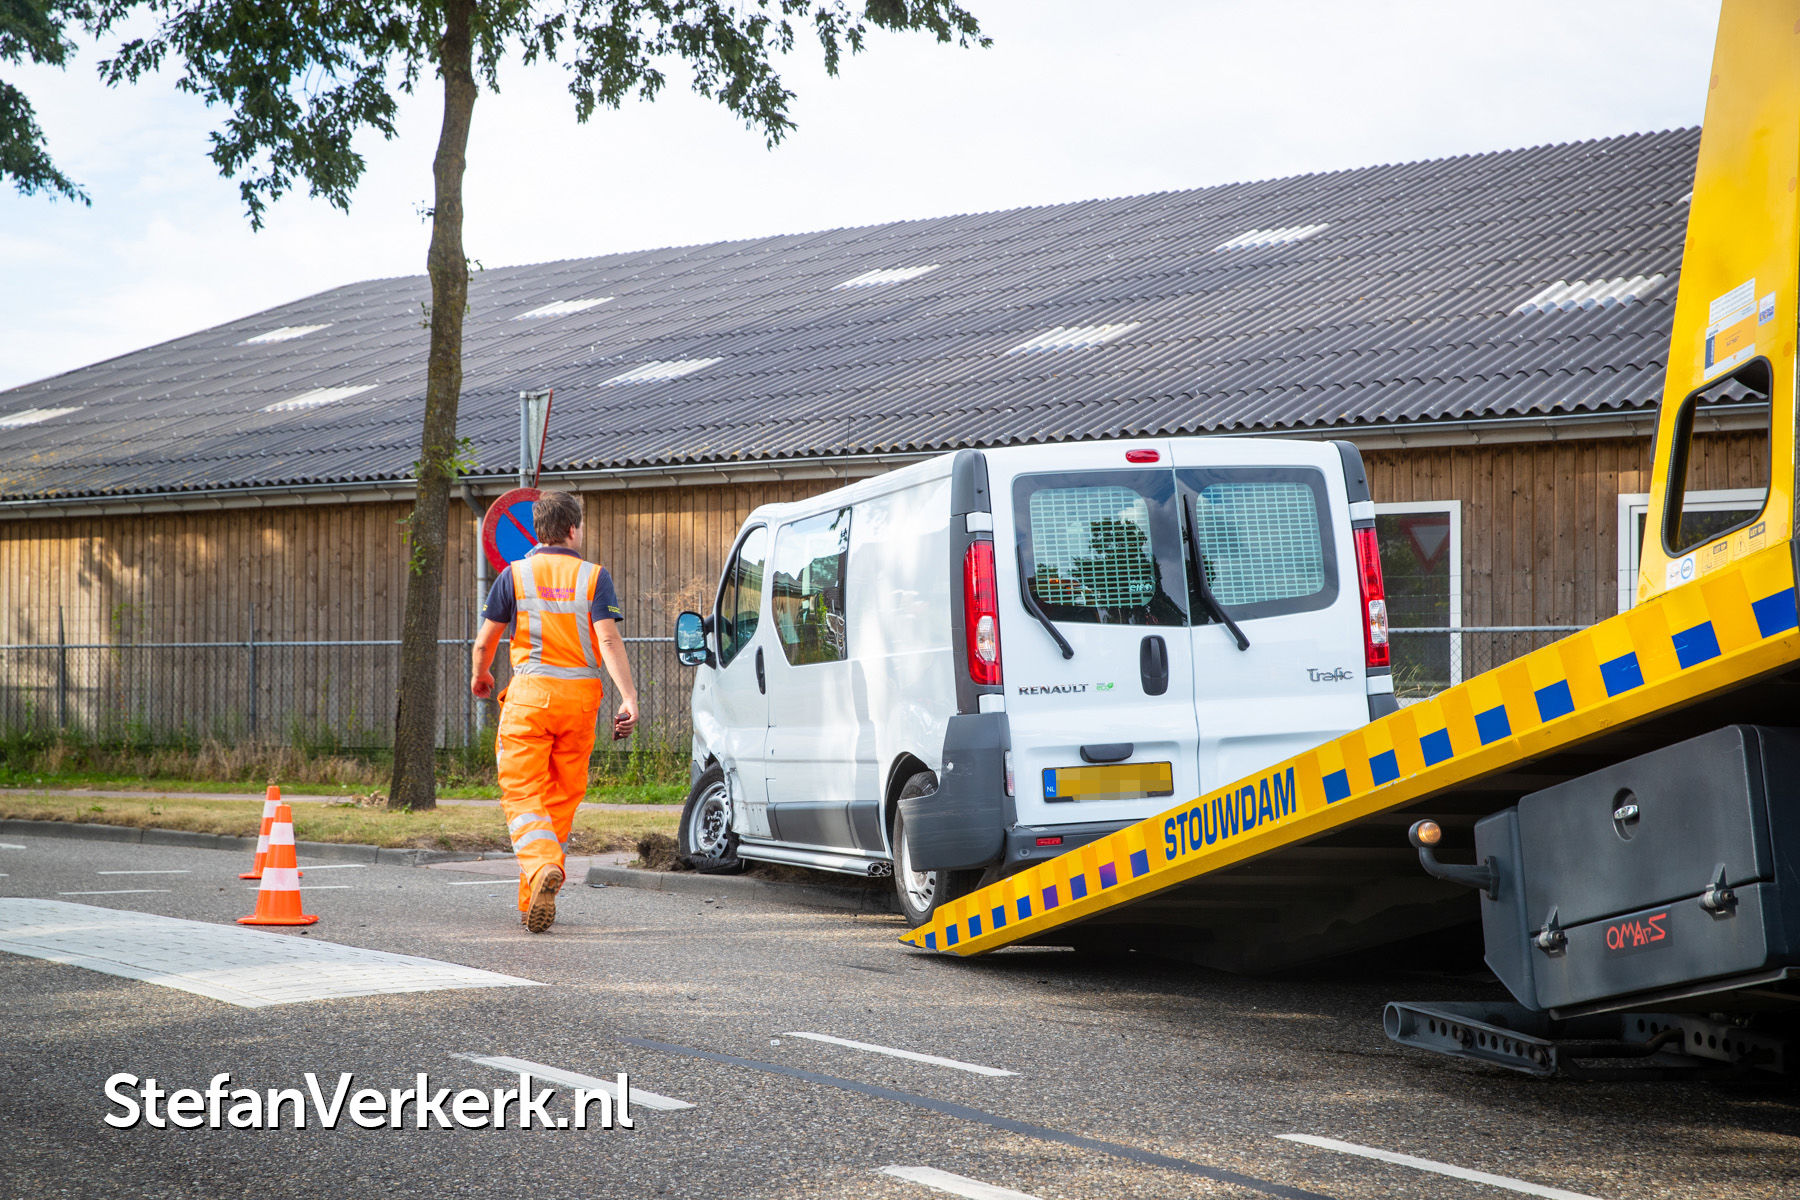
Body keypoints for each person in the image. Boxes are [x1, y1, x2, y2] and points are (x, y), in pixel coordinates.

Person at [470, 491, 639, 932]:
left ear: (540, 529)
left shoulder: (514, 576)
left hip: (529, 699)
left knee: (523, 794)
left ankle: (544, 864)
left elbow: (486, 641)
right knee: (560, 800)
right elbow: (608, 641)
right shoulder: (594, 577)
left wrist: (482, 675)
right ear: (571, 529)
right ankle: (532, 898)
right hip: (580, 702)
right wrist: (629, 698)